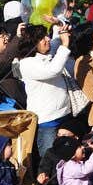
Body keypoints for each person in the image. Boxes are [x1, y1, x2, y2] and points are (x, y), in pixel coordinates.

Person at [17, 24, 75, 163]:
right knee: (51, 160)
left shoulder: (46, 53)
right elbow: (53, 69)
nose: (47, 39)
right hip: (47, 121)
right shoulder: (27, 63)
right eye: (42, 38)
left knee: (71, 157)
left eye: (46, 35)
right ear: (32, 43)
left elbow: (55, 43)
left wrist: (61, 29)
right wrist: (65, 44)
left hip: (65, 114)